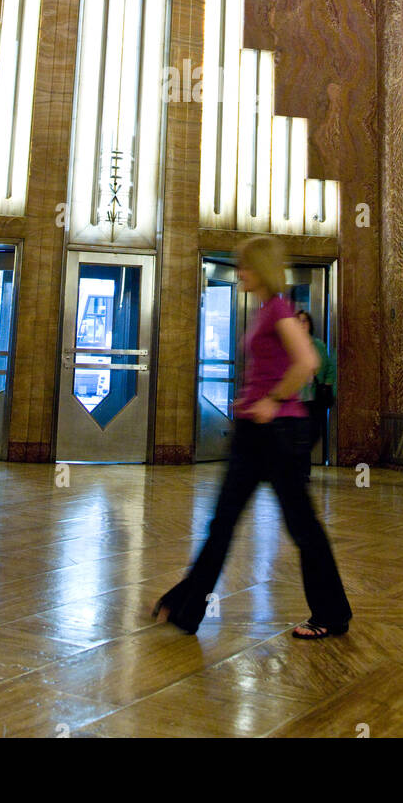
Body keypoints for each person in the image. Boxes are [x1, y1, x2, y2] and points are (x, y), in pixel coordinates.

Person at [151, 236, 352, 640]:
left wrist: (274, 400)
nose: (239, 272)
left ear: (259, 268)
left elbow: (308, 362)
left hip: (277, 433)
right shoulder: (266, 310)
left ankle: (331, 613)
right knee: (222, 522)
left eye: (244, 265)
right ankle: (186, 607)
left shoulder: (279, 308)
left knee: (301, 526)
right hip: (255, 434)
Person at [296, 309, 336, 480]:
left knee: (313, 433)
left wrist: (327, 384)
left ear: (310, 324)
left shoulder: (318, 345)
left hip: (314, 397)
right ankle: (300, 471)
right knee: (298, 434)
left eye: (304, 321)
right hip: (296, 398)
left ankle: (300, 469)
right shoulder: (289, 345)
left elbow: (329, 368)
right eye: (298, 321)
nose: (301, 324)